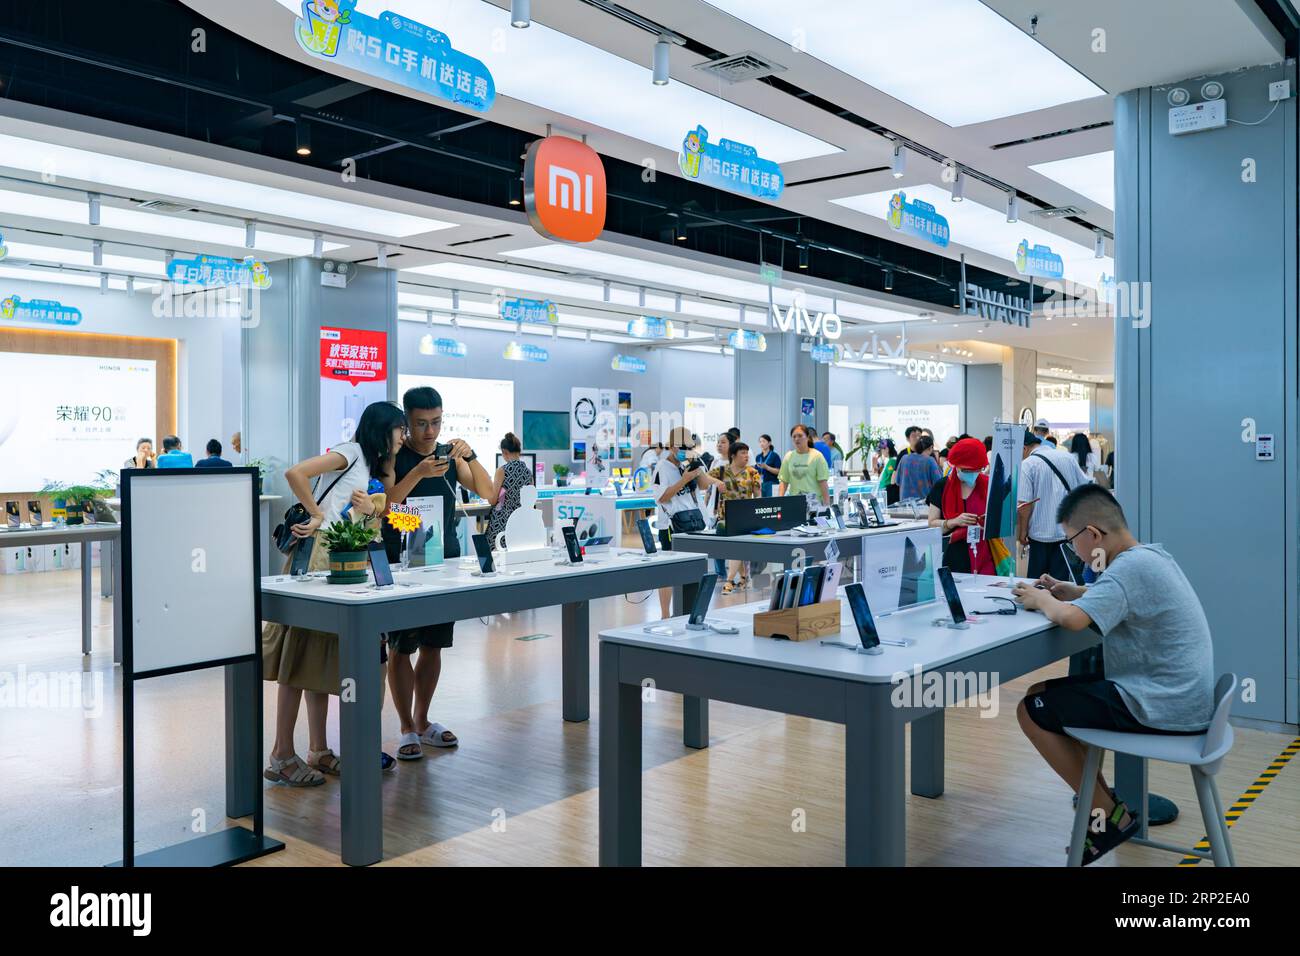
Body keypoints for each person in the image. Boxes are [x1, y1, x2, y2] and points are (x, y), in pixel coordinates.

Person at [1012, 485, 1214, 865]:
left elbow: (1072, 621)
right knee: (1041, 691)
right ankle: (1105, 807)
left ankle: (1104, 815)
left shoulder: (1128, 570)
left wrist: (1043, 599)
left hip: (1161, 707)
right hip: (1182, 698)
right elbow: (1106, 595)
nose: (1075, 552)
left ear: (1093, 534)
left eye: (1072, 542)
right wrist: (1068, 590)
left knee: (1030, 710)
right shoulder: (1149, 557)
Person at [262, 401, 404, 785]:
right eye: (400, 430)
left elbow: (380, 505)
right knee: (298, 659)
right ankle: (281, 754)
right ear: (383, 429)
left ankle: (318, 750)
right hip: (318, 563)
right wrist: (316, 513)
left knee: (315, 660)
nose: (402, 438)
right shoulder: (350, 452)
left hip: (337, 561)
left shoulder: (368, 464)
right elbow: (296, 473)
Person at [382, 386, 497, 759]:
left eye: (436, 422)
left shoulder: (448, 456)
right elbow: (386, 504)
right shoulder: (394, 456)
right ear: (406, 421)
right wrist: (418, 471)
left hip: (443, 563)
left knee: (434, 644)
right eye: (420, 424)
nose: (429, 431)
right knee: (402, 647)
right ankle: (404, 728)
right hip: (402, 566)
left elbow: (488, 493)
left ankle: (423, 719)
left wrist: (471, 454)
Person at [653, 426, 723, 617]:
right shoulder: (662, 467)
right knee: (668, 571)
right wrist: (683, 480)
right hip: (672, 524)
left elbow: (702, 483)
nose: (686, 450)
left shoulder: (689, 461)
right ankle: (665, 615)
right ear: (673, 446)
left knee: (695, 569)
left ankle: (692, 611)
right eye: (683, 447)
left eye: (690, 446)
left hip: (694, 522)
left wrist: (708, 476)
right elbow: (661, 497)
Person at [1017, 429, 1091, 584]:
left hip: (1038, 536)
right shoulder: (1067, 457)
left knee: (1036, 585)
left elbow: (1024, 505)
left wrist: (1022, 531)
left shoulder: (1028, 464)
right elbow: (1084, 488)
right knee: (1061, 585)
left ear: (1024, 448)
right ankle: (1058, 608)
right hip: (1066, 534)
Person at [926, 438, 995, 574]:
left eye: (976, 470)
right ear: (955, 466)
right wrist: (953, 522)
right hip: (953, 557)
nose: (972, 474)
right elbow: (932, 524)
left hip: (985, 555)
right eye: (967, 470)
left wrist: (991, 521)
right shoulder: (942, 487)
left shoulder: (989, 485)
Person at [710, 441, 762, 592]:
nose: (746, 456)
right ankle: (744, 577)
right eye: (742, 453)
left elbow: (758, 495)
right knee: (732, 549)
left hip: (744, 517)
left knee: (736, 548)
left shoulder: (753, 472)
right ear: (733, 455)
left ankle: (730, 580)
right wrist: (717, 482)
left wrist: (758, 513)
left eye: (747, 453)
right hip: (724, 517)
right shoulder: (721, 471)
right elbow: (703, 480)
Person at [488, 432, 534, 548]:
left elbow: (493, 500)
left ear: (504, 452)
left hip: (502, 522)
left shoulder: (502, 471)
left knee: (496, 557)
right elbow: (531, 501)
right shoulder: (528, 473)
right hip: (521, 522)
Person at [778, 424, 830, 505]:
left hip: (814, 504)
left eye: (800, 436)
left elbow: (823, 483)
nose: (796, 439)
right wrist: (779, 502)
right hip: (794, 503)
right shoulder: (788, 456)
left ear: (808, 437)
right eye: (794, 436)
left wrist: (827, 505)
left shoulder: (817, 456)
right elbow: (784, 481)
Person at [897, 434, 941, 501]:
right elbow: (938, 484)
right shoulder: (930, 460)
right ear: (931, 447)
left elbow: (897, 481)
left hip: (904, 504)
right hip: (923, 505)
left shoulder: (904, 458)